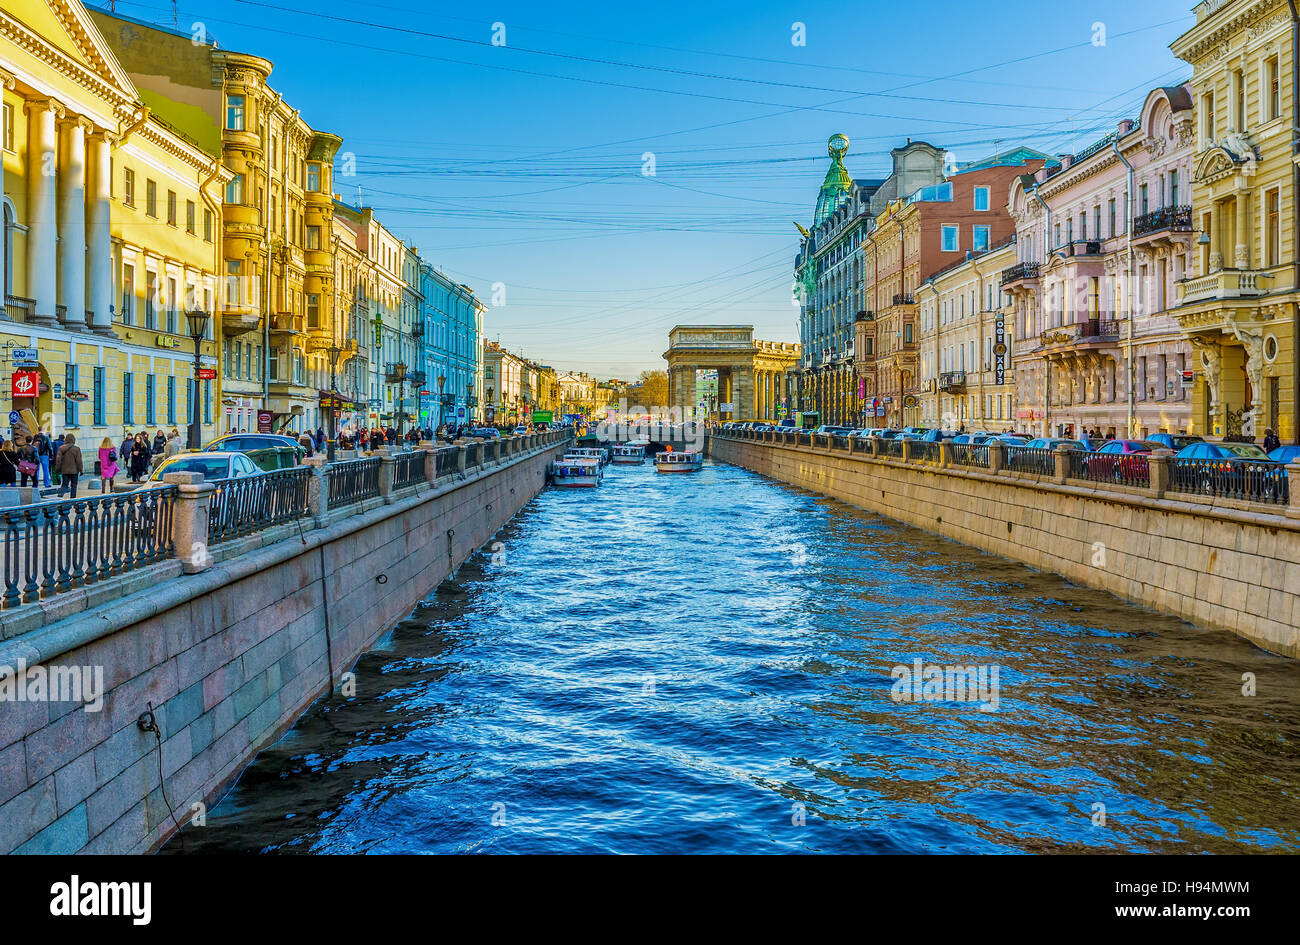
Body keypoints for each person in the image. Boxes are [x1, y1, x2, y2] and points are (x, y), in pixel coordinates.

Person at [55, 433, 82, 499]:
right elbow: (79, 461)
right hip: (74, 471)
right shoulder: (77, 449)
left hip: (64, 470)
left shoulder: (61, 448)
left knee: (64, 484)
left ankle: (59, 497)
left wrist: (57, 469)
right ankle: (73, 499)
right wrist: (81, 470)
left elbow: (58, 460)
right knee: (74, 485)